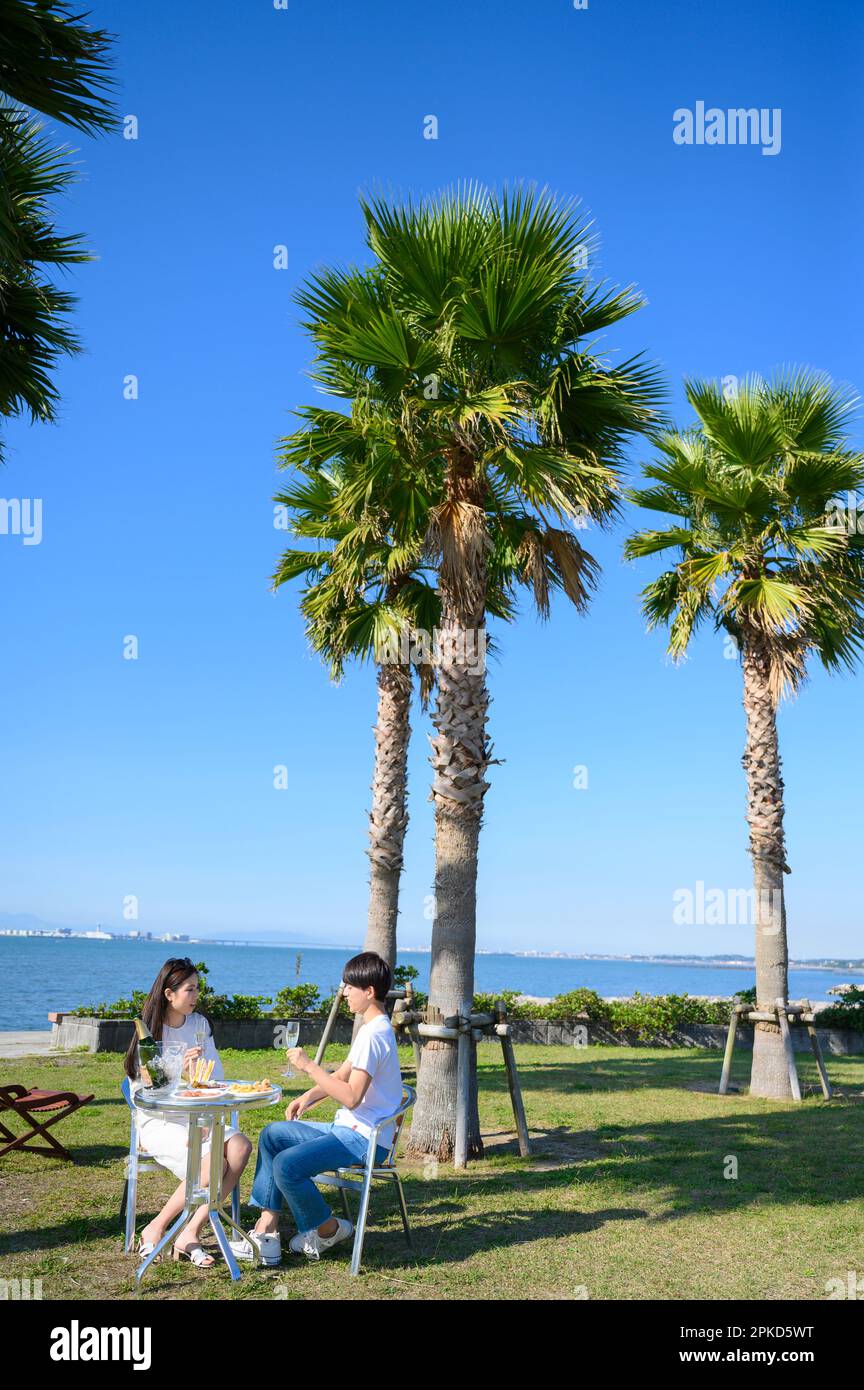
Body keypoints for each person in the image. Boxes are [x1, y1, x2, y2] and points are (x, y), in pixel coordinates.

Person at [235, 951, 403, 1264]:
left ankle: (329, 1229)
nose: (345, 992)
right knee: (272, 1135)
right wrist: (308, 1097)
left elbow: (351, 1096)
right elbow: (341, 1075)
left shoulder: (375, 1035)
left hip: (365, 1139)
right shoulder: (370, 1028)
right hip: (349, 1129)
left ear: (369, 992)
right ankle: (267, 1230)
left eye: (351, 986)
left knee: (287, 1166)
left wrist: (309, 1066)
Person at [123, 957, 253, 1269]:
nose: (196, 996)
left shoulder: (199, 1025)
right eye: (190, 990)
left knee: (240, 1147)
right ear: (170, 994)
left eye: (197, 989)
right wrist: (176, 1070)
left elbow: (214, 1076)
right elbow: (143, 1089)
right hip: (161, 1118)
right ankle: (157, 1225)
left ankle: (189, 1232)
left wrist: (202, 1087)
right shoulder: (149, 1032)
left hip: (199, 1115)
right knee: (214, 1163)